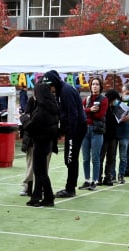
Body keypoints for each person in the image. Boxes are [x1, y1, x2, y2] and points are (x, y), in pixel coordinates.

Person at [43, 70, 86, 198]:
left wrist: (70, 134)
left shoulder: (66, 92)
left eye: (49, 86)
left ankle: (70, 188)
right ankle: (70, 186)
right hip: (73, 127)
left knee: (71, 158)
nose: (49, 89)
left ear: (54, 83)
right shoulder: (61, 91)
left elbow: (73, 114)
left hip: (77, 128)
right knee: (69, 158)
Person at [22, 80, 59, 207]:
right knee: (40, 171)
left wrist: (24, 119)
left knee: (40, 172)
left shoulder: (41, 110)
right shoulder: (51, 107)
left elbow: (31, 126)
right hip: (47, 142)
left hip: (40, 141)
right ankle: (37, 197)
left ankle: (48, 197)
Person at [79, 76, 106, 190]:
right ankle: (87, 180)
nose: (94, 86)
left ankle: (95, 180)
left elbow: (99, 115)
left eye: (97, 84)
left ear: (100, 86)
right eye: (93, 84)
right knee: (85, 158)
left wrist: (87, 113)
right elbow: (81, 112)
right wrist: (89, 110)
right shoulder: (87, 99)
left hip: (97, 131)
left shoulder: (103, 100)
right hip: (85, 130)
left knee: (95, 157)